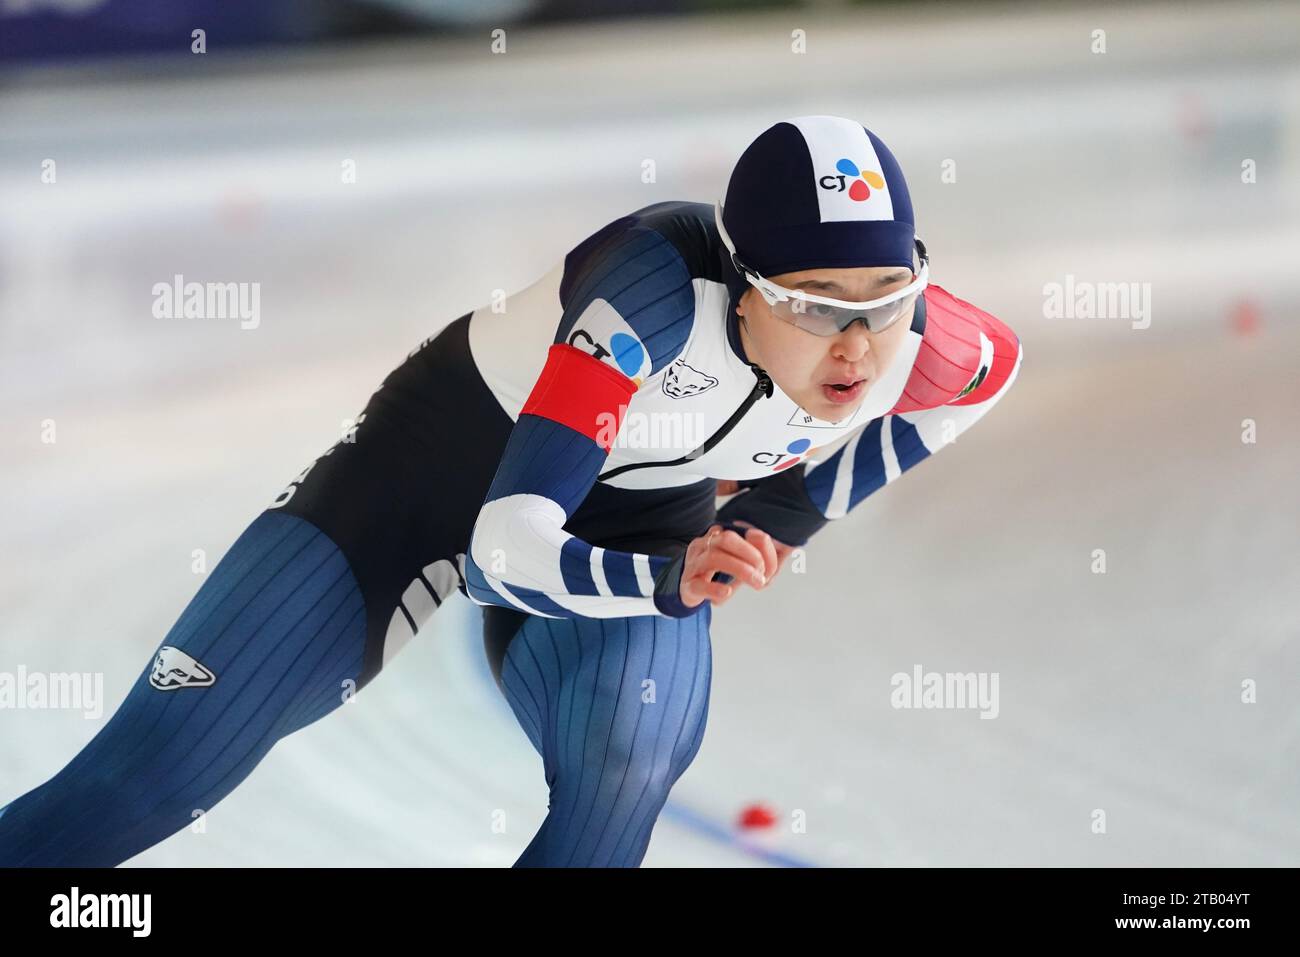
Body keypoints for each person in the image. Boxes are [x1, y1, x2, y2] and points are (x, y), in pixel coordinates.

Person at [0, 114, 1022, 867]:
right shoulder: (651, 296)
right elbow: (503, 548)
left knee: (625, 764)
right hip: (432, 478)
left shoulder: (925, 341)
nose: (856, 346)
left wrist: (779, 516)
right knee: (150, 778)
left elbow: (986, 379)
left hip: (639, 513)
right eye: (814, 305)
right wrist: (662, 581)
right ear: (743, 287)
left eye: (885, 300)